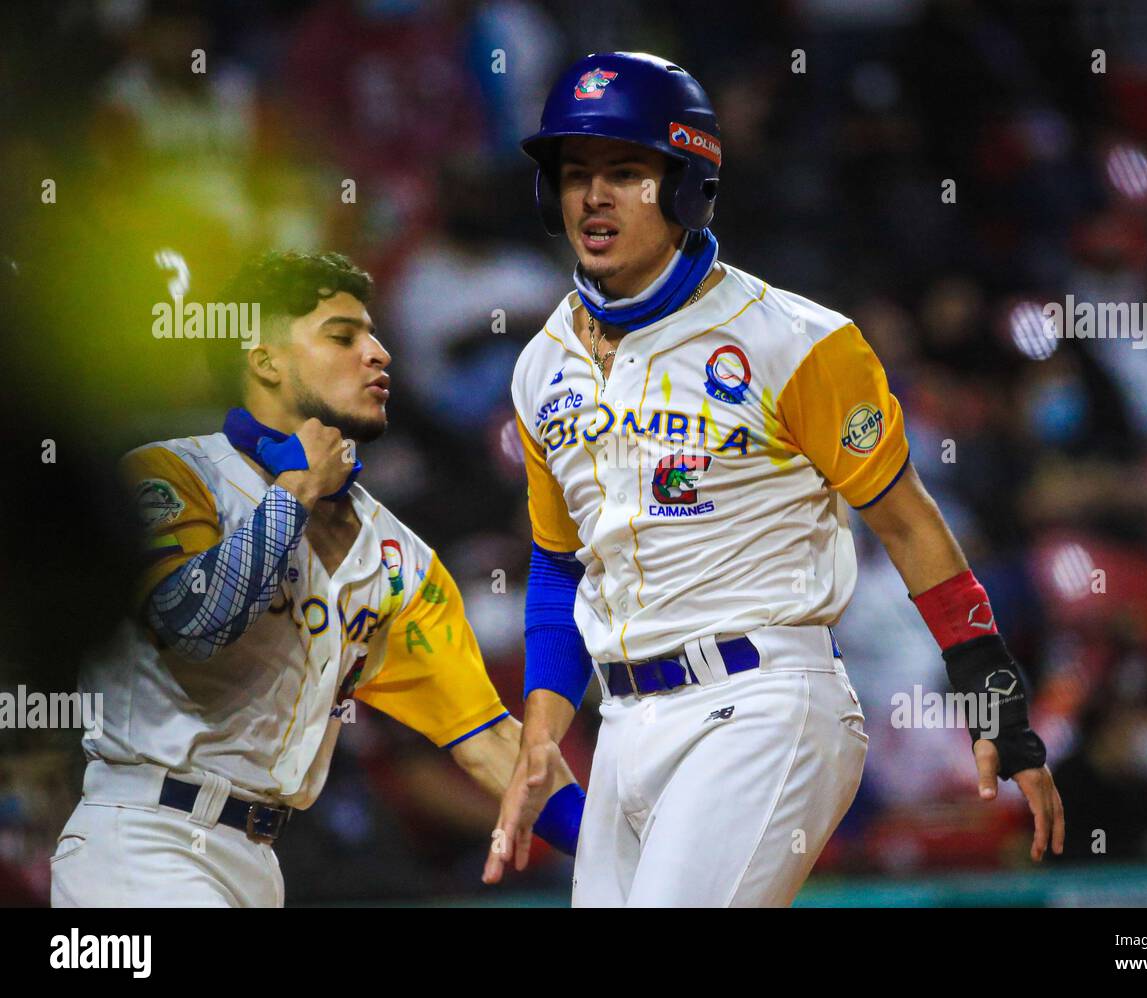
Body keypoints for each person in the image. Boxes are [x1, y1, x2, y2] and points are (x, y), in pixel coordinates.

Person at [484, 52, 1064, 906]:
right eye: (575, 175)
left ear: (684, 185)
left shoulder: (795, 340)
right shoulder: (542, 365)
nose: (593, 197)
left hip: (761, 700)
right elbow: (559, 563)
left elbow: (905, 519)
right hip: (624, 722)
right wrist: (542, 734)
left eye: (625, 172)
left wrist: (992, 688)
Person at [51, 250, 583, 907]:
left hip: (261, 861)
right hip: (144, 843)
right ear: (265, 360)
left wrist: (614, 847)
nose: (379, 353)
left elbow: (490, 740)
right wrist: (297, 488)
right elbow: (193, 625)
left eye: (375, 333)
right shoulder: (174, 477)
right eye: (343, 337)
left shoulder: (402, 558)